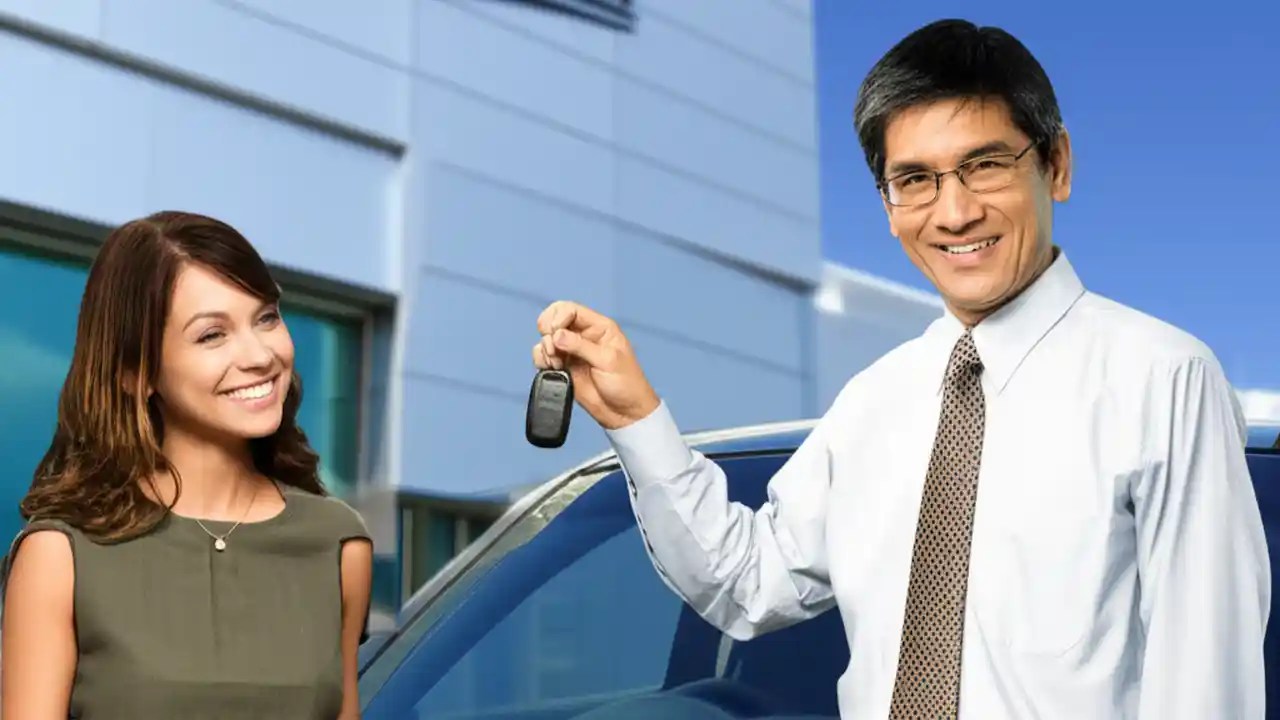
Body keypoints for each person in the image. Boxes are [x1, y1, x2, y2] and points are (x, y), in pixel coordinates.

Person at [532, 18, 1268, 720]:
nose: (953, 213)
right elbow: (748, 581)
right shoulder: (873, 404)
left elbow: (1205, 685)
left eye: (985, 165)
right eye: (914, 179)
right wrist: (635, 418)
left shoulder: (1164, 381)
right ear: (887, 205)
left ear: (1057, 164)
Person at [0, 211, 373, 719]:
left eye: (266, 317)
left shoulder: (338, 544)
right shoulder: (60, 555)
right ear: (135, 373)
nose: (259, 355)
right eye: (212, 335)